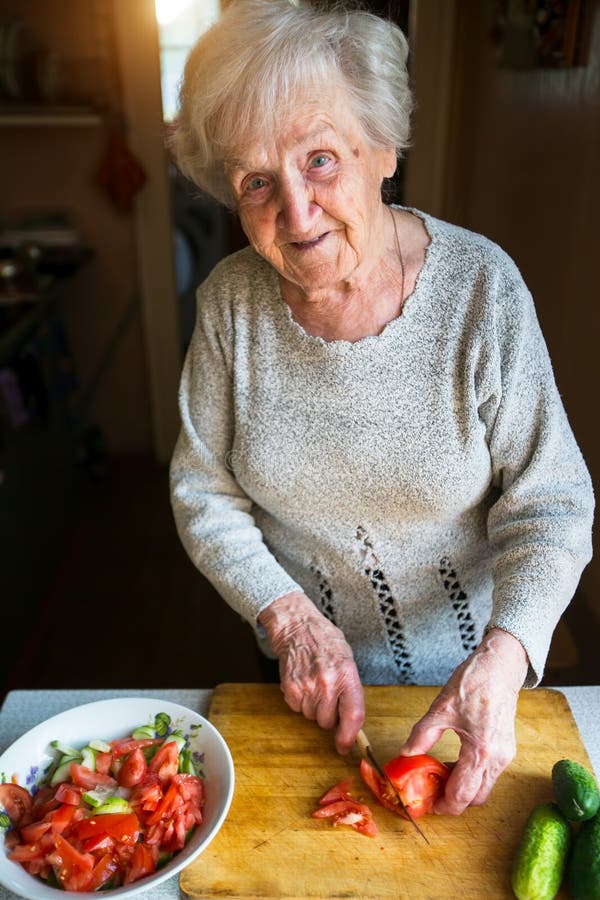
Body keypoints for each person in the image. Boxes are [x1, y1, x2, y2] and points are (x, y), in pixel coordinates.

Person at [168, 0, 594, 816]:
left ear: (384, 147)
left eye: (320, 159)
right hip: (300, 681)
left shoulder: (480, 291)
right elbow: (203, 493)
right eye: (257, 181)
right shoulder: (229, 306)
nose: (295, 213)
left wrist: (505, 658)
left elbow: (552, 505)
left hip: (472, 677)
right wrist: (291, 623)